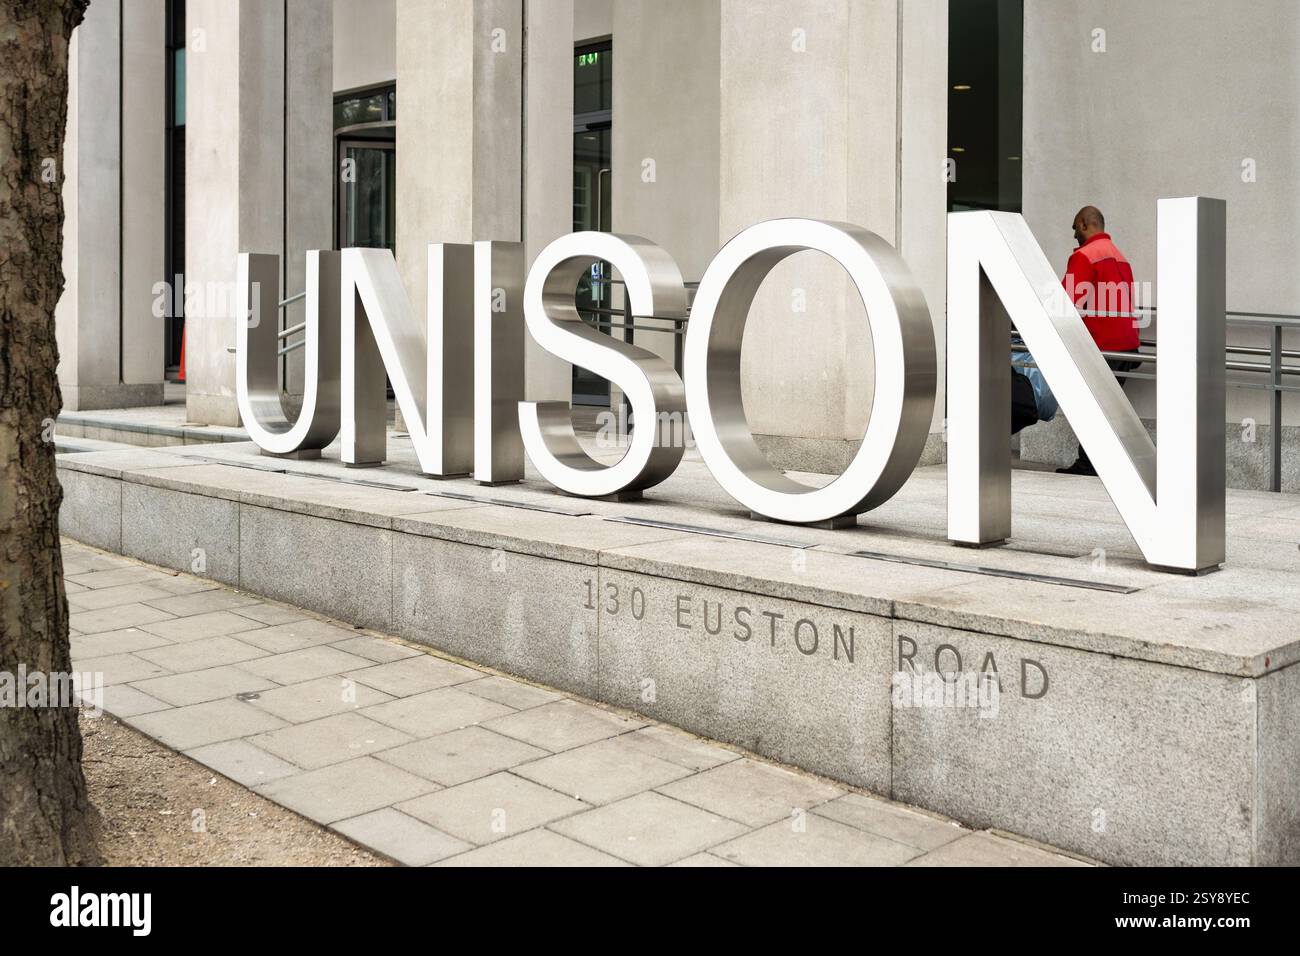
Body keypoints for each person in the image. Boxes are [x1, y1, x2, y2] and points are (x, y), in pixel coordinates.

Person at [1054, 205, 1142, 476]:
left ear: (1083, 224)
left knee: (1093, 406)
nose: (1073, 237)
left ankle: (1089, 464)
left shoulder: (1085, 255)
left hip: (1102, 345)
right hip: (1126, 343)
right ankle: (1105, 463)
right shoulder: (1120, 256)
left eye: (1074, 229)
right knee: (1109, 408)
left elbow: (1065, 301)